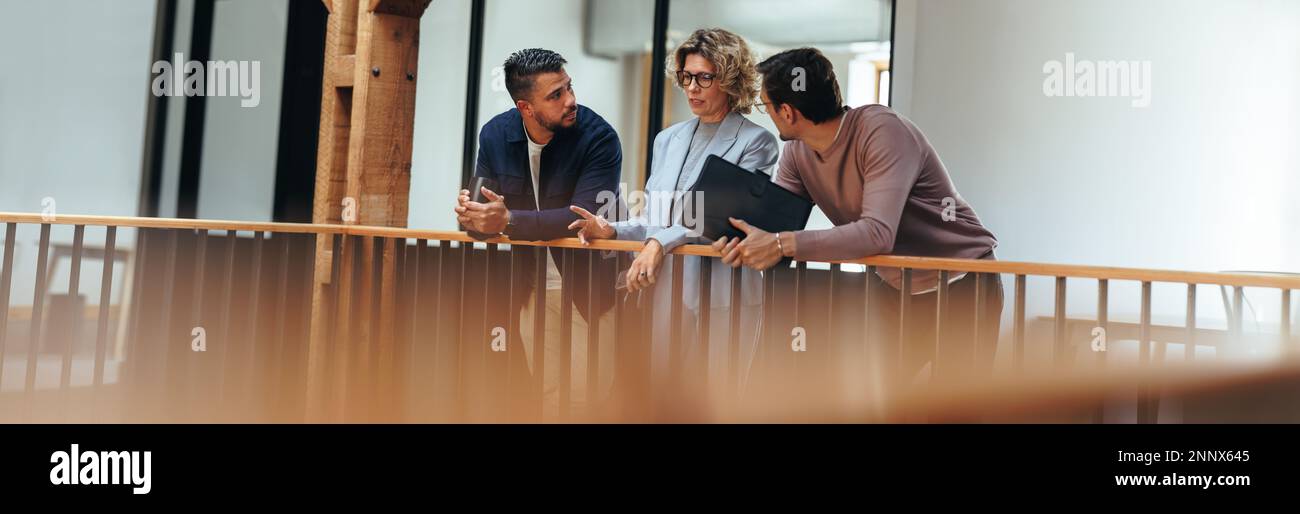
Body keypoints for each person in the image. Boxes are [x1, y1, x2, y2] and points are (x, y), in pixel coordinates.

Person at [714, 47, 1003, 386]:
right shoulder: (797, 152)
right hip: (896, 286)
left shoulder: (882, 131)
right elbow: (775, 225)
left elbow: (877, 234)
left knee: (957, 408)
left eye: (766, 105)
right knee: (872, 402)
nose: (769, 114)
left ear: (788, 112)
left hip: (963, 282)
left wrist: (779, 244)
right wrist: (740, 240)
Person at [570, 28, 778, 405]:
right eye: (686, 77)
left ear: (730, 78)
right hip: (663, 295)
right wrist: (609, 229)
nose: (692, 88)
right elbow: (653, 219)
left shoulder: (756, 143)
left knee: (717, 403)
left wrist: (656, 243)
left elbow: (718, 216)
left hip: (722, 296)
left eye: (704, 77)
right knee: (661, 403)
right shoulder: (667, 139)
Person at [456, 48, 619, 418]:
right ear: (525, 108)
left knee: (585, 396)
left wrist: (506, 220)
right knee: (545, 393)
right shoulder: (496, 135)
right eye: (556, 95)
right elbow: (480, 218)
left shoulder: (599, 137)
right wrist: (474, 218)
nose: (570, 101)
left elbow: (582, 217)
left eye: (569, 88)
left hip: (587, 285)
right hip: (530, 285)